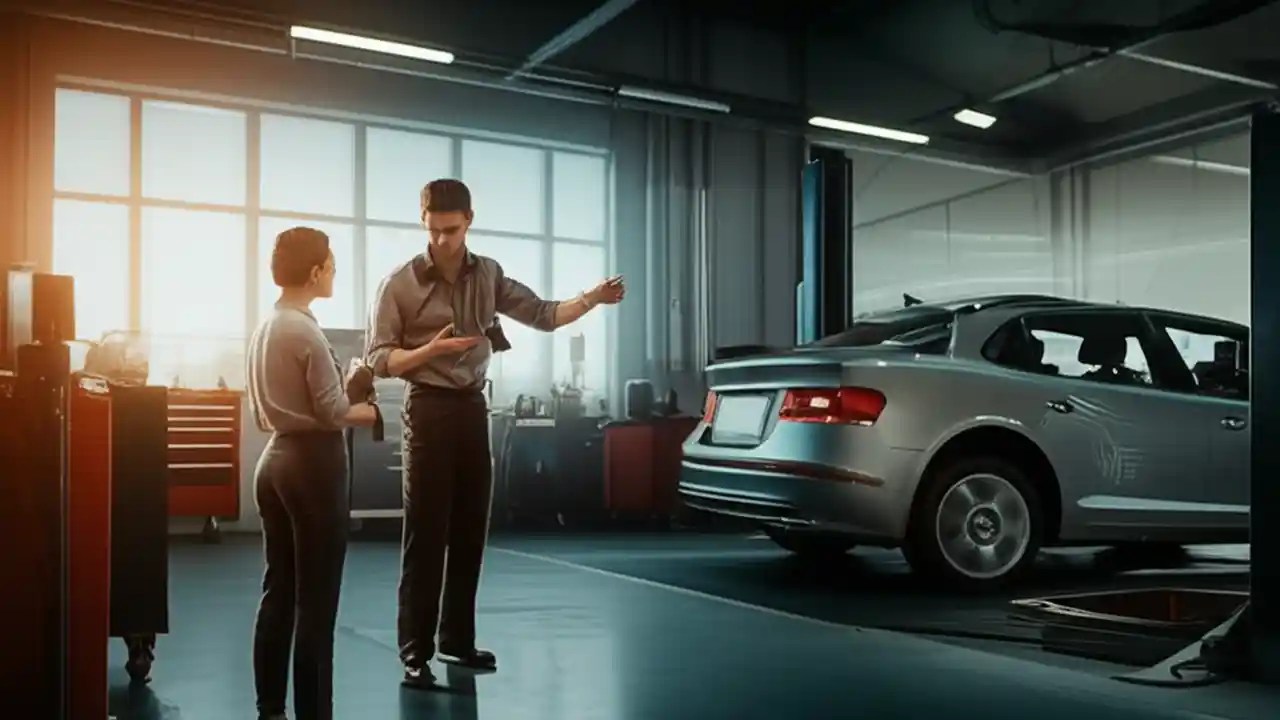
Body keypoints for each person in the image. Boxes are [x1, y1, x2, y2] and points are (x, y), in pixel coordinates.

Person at [365, 178, 624, 689]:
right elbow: (378, 358)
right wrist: (428, 354)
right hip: (427, 408)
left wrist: (590, 299)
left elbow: (544, 316)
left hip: (471, 408)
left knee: (469, 531)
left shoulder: (488, 274)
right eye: (435, 230)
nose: (443, 240)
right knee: (425, 532)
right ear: (423, 222)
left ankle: (456, 642)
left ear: (469, 221)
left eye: (452, 230)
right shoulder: (398, 284)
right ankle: (414, 652)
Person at [246, 226, 380, 720]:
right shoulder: (304, 329)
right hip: (313, 467)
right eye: (332, 265)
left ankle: (270, 709)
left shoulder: (268, 325)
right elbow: (330, 411)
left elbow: (291, 403)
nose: (335, 272)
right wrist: (373, 410)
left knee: (279, 590)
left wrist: (344, 389)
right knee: (317, 605)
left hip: (275, 461)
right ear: (317, 271)